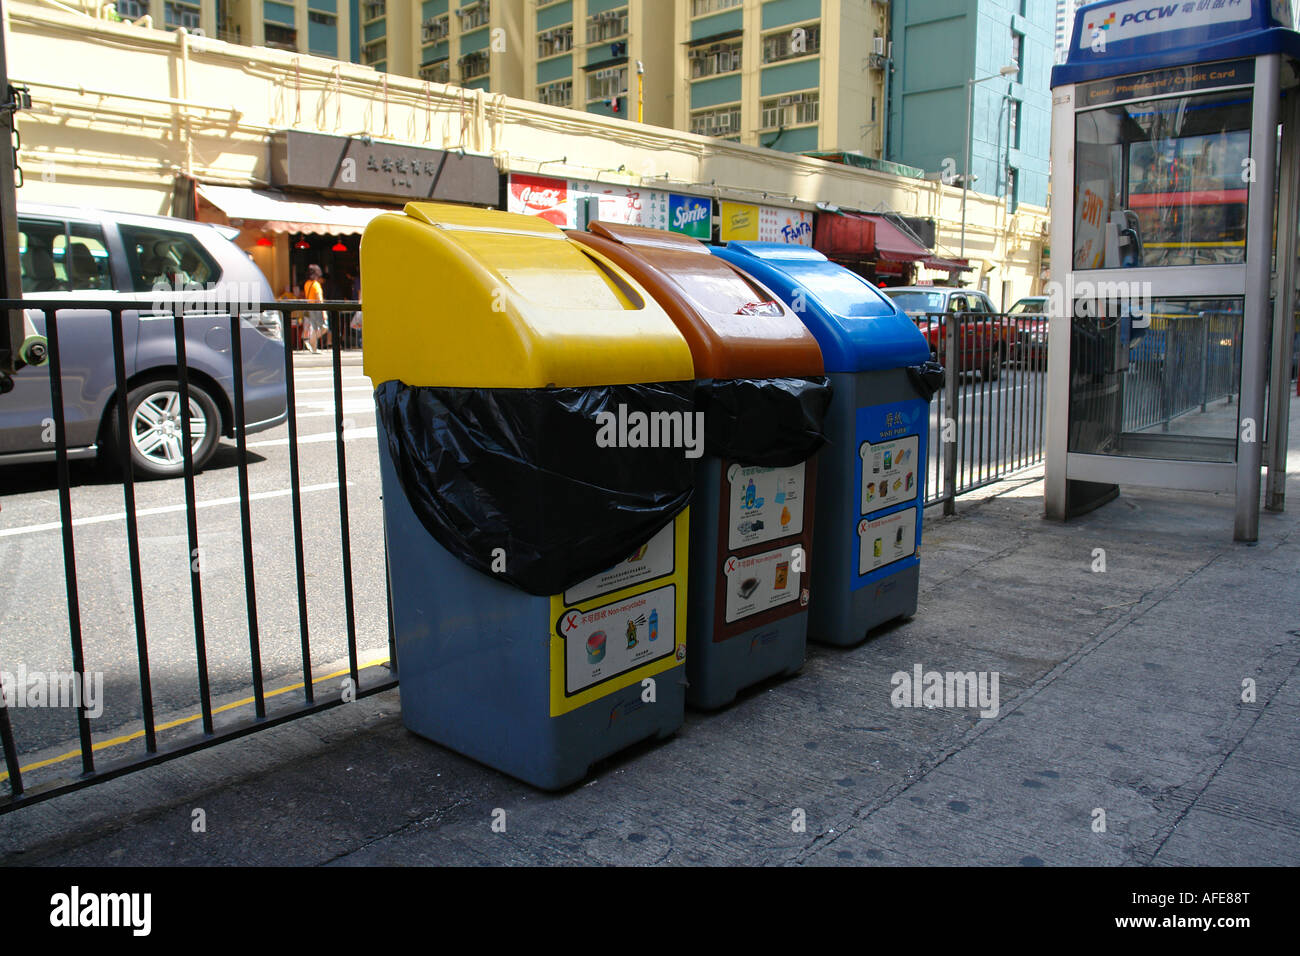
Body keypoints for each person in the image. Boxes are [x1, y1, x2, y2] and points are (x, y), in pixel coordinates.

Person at [302, 264, 326, 353]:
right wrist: (324, 312)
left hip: (309, 307)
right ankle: (312, 342)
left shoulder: (307, 284)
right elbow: (319, 299)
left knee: (314, 328)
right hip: (316, 309)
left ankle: (314, 347)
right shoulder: (316, 285)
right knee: (323, 327)